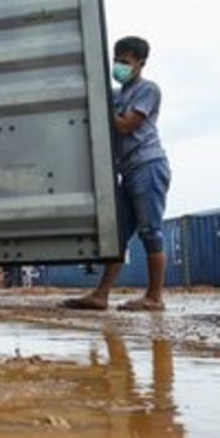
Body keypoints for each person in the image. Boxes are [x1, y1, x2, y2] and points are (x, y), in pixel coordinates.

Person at [64, 36, 170, 311]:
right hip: (129, 170)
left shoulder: (148, 90)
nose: (118, 66)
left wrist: (103, 106)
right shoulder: (118, 94)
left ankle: (154, 297)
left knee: (150, 232)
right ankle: (101, 295)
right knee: (117, 235)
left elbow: (125, 125)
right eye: (115, 60)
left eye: (124, 61)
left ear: (140, 64)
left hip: (148, 165)